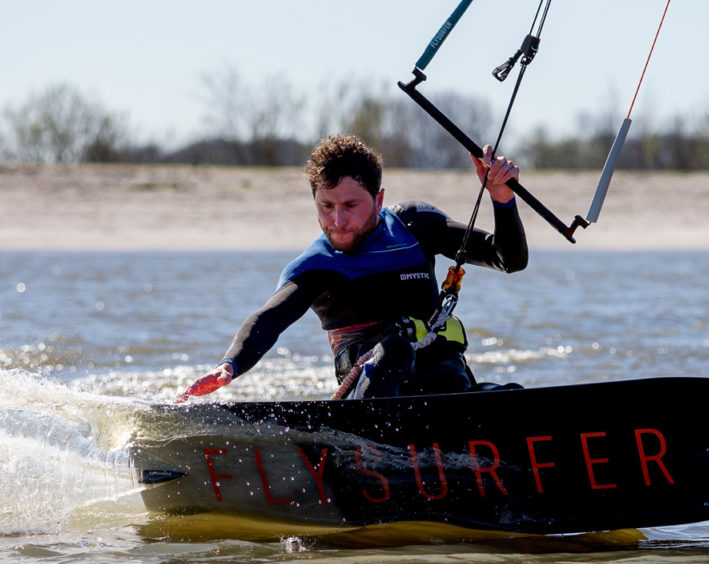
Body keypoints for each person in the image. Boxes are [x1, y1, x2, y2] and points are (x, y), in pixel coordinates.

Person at [178, 133, 528, 401]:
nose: (337, 220)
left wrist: (501, 197)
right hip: (373, 392)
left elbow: (508, 259)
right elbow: (269, 318)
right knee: (395, 349)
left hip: (447, 393)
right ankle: (373, 451)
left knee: (513, 396)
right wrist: (230, 366)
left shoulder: (415, 227)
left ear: (378, 199)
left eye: (351, 205)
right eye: (326, 206)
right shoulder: (319, 266)